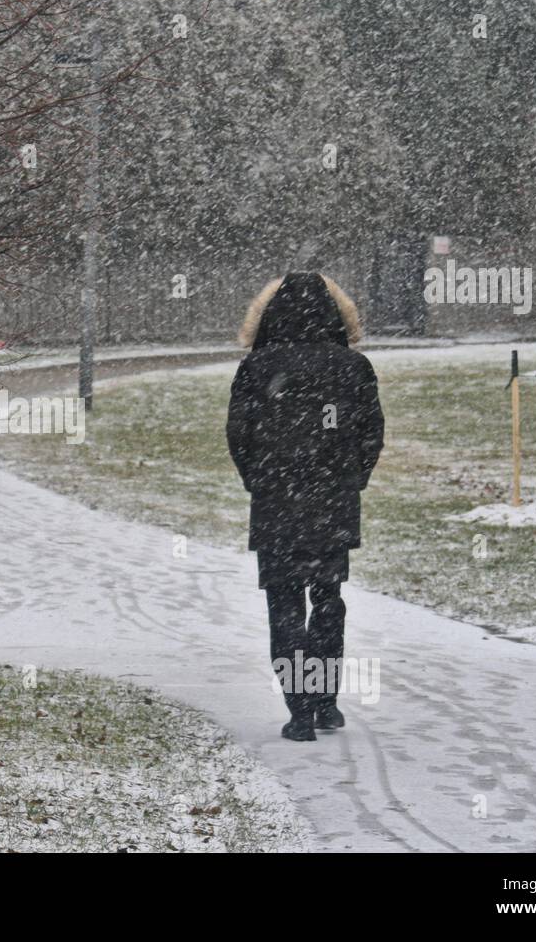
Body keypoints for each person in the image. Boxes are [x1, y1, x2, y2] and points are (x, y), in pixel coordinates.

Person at [226, 272, 384, 742]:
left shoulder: (256, 369)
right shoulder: (353, 368)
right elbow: (370, 434)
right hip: (332, 502)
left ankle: (298, 711)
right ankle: (325, 701)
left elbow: (239, 437)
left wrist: (259, 481)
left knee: (285, 605)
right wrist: (351, 478)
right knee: (328, 600)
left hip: (276, 503)